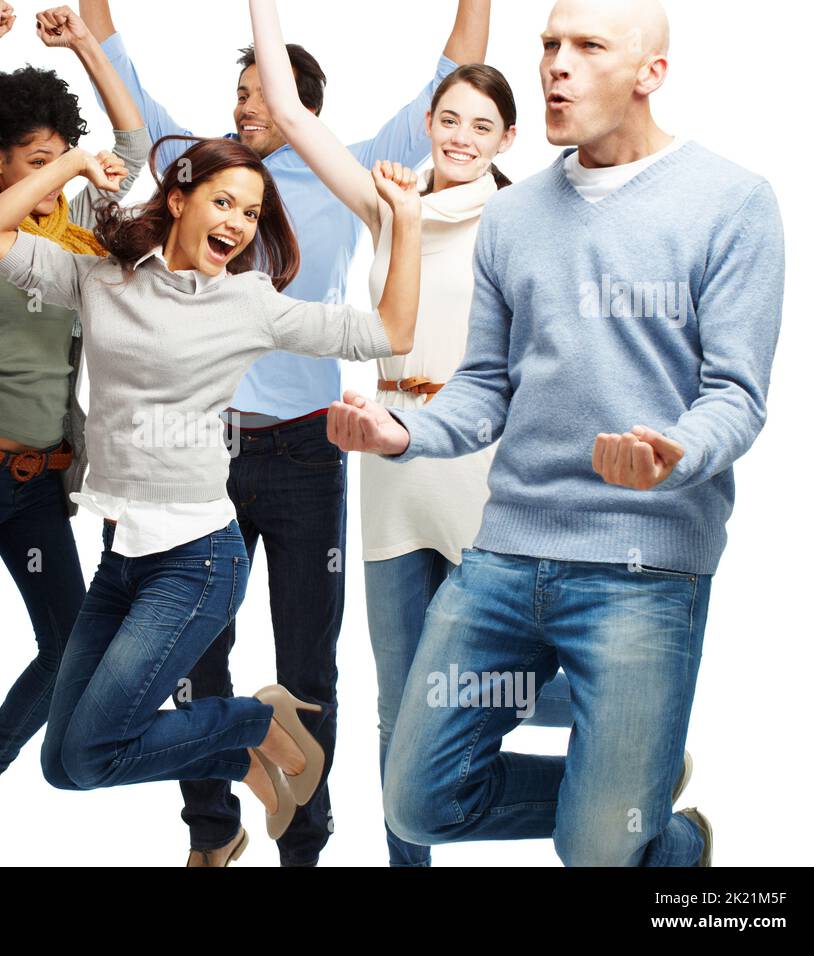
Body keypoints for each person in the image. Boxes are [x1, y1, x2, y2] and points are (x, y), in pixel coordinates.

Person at [327, 0, 784, 866]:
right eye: (548, 44)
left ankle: (662, 839)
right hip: (504, 558)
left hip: (645, 571)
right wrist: (403, 432)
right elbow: (487, 385)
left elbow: (735, 395)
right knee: (418, 801)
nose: (555, 65)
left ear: (650, 72)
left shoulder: (732, 202)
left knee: (596, 853)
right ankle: (622, 810)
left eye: (587, 46)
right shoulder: (513, 216)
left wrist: (674, 454)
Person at [77, 0, 491, 866]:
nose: (245, 107)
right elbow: (122, 76)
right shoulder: (202, 170)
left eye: (261, 92)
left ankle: (303, 845)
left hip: (307, 452)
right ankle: (212, 829)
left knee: (309, 665)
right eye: (239, 93)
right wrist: (84, 30)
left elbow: (452, 80)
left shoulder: (349, 169)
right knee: (196, 655)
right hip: (207, 454)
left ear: (301, 107)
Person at [0, 127, 424, 847]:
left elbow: (391, 332)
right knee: (66, 766)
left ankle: (256, 722)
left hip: (197, 560)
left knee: (92, 750)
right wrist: (75, 163)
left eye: (252, 212)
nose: (239, 223)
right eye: (224, 202)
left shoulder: (249, 303)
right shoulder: (102, 279)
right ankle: (245, 749)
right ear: (178, 200)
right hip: (121, 558)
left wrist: (408, 222)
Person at [249, 0, 575, 868]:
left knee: (506, 680)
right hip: (390, 469)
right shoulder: (391, 205)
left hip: (482, 469)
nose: (461, 137)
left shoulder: (527, 217)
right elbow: (290, 114)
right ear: (428, 121)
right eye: (449, 119)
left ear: (508, 139)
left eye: (482, 125)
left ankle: (623, 737)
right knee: (402, 707)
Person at [0, 7, 152, 867]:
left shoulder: (77, 223)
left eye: (64, 156)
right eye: (38, 161)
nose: (60, 173)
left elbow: (135, 144)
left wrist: (85, 44)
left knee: (70, 650)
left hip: (41, 480)